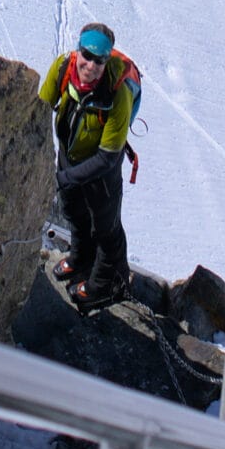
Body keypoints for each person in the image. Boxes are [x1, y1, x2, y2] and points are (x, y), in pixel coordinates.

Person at [38, 22, 139, 308]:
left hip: (102, 173)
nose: (91, 65)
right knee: (74, 213)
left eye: (100, 59)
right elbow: (42, 106)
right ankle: (80, 258)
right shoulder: (62, 69)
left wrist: (65, 178)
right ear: (78, 50)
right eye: (87, 55)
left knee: (106, 229)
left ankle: (105, 285)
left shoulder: (118, 95)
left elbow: (107, 157)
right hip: (69, 157)